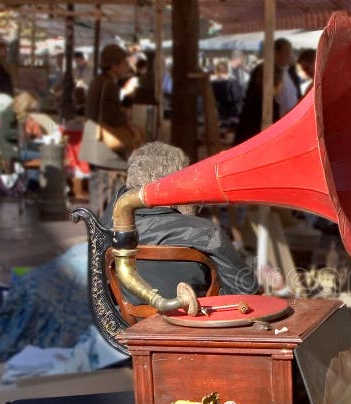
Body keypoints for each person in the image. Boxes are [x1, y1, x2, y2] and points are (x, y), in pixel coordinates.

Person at [106, 141, 256, 299]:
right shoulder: (205, 233)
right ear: (175, 185)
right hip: (191, 320)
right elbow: (246, 291)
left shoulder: (105, 224)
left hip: (125, 321)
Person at [79, 43, 142, 171]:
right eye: (124, 63)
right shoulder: (110, 85)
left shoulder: (97, 81)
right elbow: (114, 118)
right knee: (112, 186)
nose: (127, 66)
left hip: (93, 144)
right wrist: (128, 97)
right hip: (106, 148)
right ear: (114, 66)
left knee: (99, 186)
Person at [234, 38, 300, 144]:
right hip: (267, 123)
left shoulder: (291, 71)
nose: (289, 55)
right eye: (286, 52)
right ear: (276, 53)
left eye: (290, 52)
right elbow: (257, 98)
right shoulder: (263, 71)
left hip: (291, 121)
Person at [211, 60, 244, 126]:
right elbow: (237, 97)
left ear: (216, 70)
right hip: (232, 113)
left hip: (219, 113)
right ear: (227, 70)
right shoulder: (232, 81)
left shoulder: (212, 82)